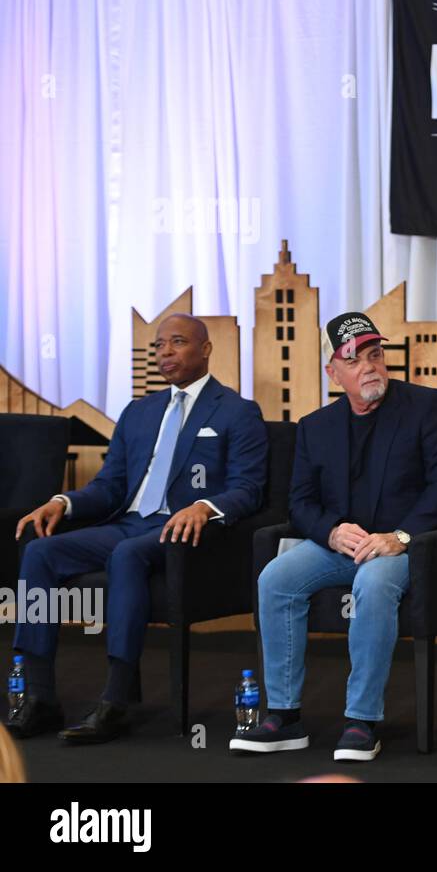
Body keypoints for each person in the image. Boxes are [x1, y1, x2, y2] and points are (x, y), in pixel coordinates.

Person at [6, 314, 267, 743]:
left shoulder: (237, 411)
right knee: (40, 551)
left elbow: (249, 488)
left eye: (177, 342)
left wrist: (204, 506)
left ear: (205, 348)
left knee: (126, 557)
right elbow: (109, 487)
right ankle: (39, 698)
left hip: (185, 533)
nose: (165, 352)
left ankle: (116, 700)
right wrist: (63, 501)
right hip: (128, 523)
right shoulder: (138, 412)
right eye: (159, 345)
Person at [233, 312, 437, 762]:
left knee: (374, 584)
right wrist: (331, 532)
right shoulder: (315, 426)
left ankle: (361, 721)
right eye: (353, 359)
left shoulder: (427, 405)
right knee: (275, 579)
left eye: (375, 354)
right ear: (333, 373)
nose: (369, 366)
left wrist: (401, 535)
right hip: (340, 545)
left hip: (402, 545)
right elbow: (299, 502)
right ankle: (284, 715)